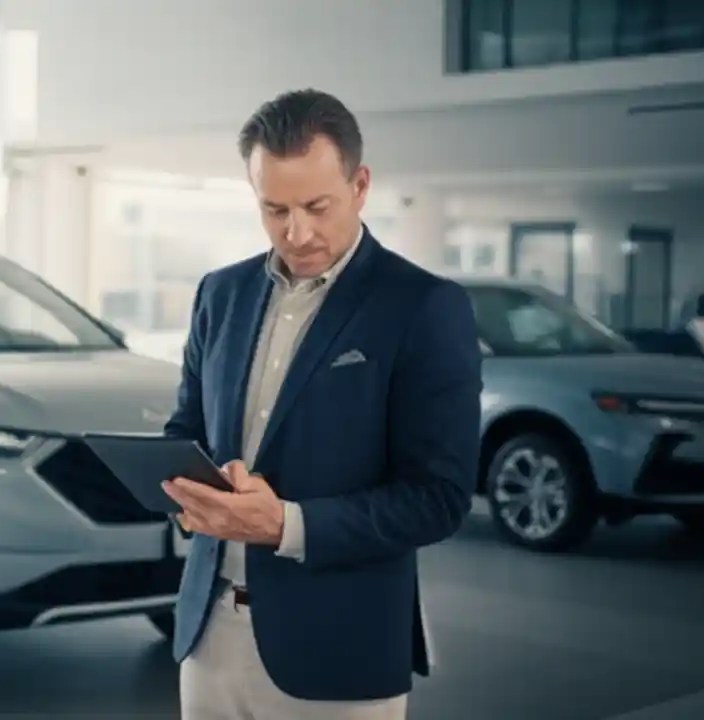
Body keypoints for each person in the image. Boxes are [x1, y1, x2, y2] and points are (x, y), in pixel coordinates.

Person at [160, 88, 482, 719]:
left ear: (360, 186)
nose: (296, 231)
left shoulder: (423, 306)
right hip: (208, 637)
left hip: (340, 650)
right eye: (274, 209)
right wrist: (187, 500)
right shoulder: (219, 294)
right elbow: (186, 432)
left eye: (316, 206)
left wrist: (284, 525)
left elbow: (439, 498)